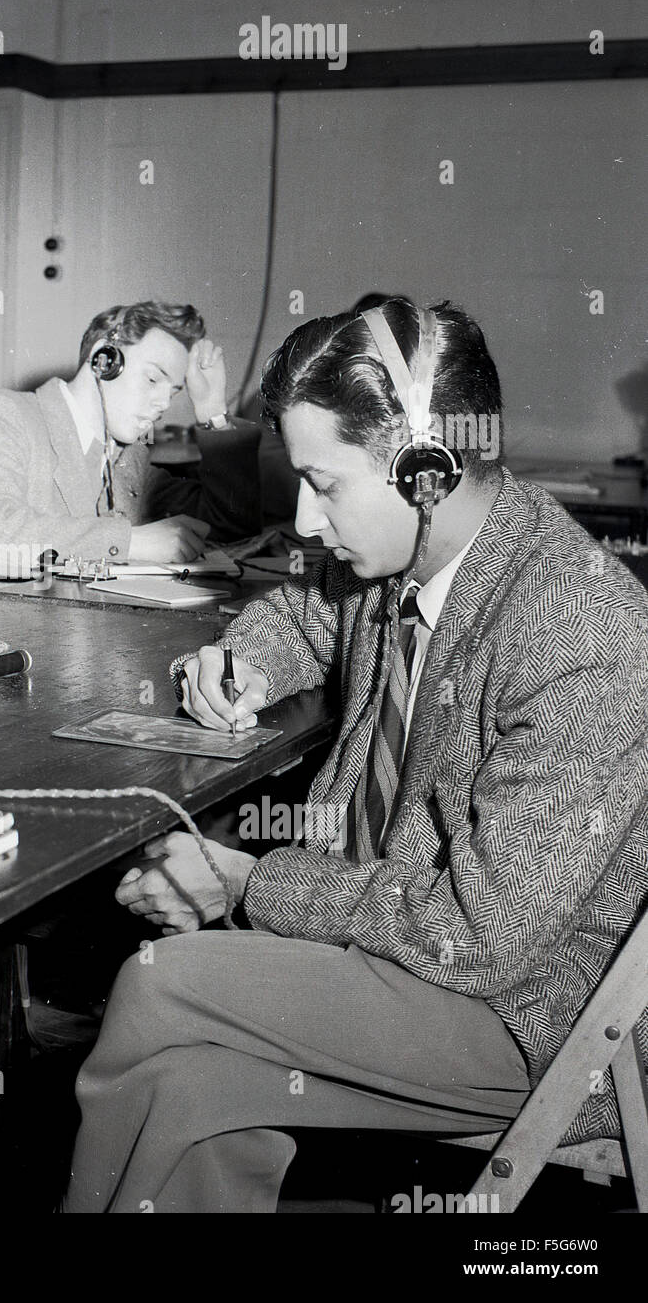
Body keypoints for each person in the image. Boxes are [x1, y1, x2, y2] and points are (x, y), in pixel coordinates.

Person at [65, 296, 648, 1212]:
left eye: (324, 483)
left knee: (157, 987)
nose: (302, 517)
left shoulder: (582, 630)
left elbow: (478, 942)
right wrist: (245, 659)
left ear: (426, 468)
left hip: (531, 1011)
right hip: (404, 935)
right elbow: (306, 604)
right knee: (186, 1093)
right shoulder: (418, 552)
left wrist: (246, 882)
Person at [0, 300, 262, 600]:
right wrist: (130, 541)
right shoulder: (1, 414)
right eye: (152, 379)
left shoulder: (126, 460)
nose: (162, 404)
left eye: (173, 392)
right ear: (104, 359)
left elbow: (229, 525)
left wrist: (214, 414)